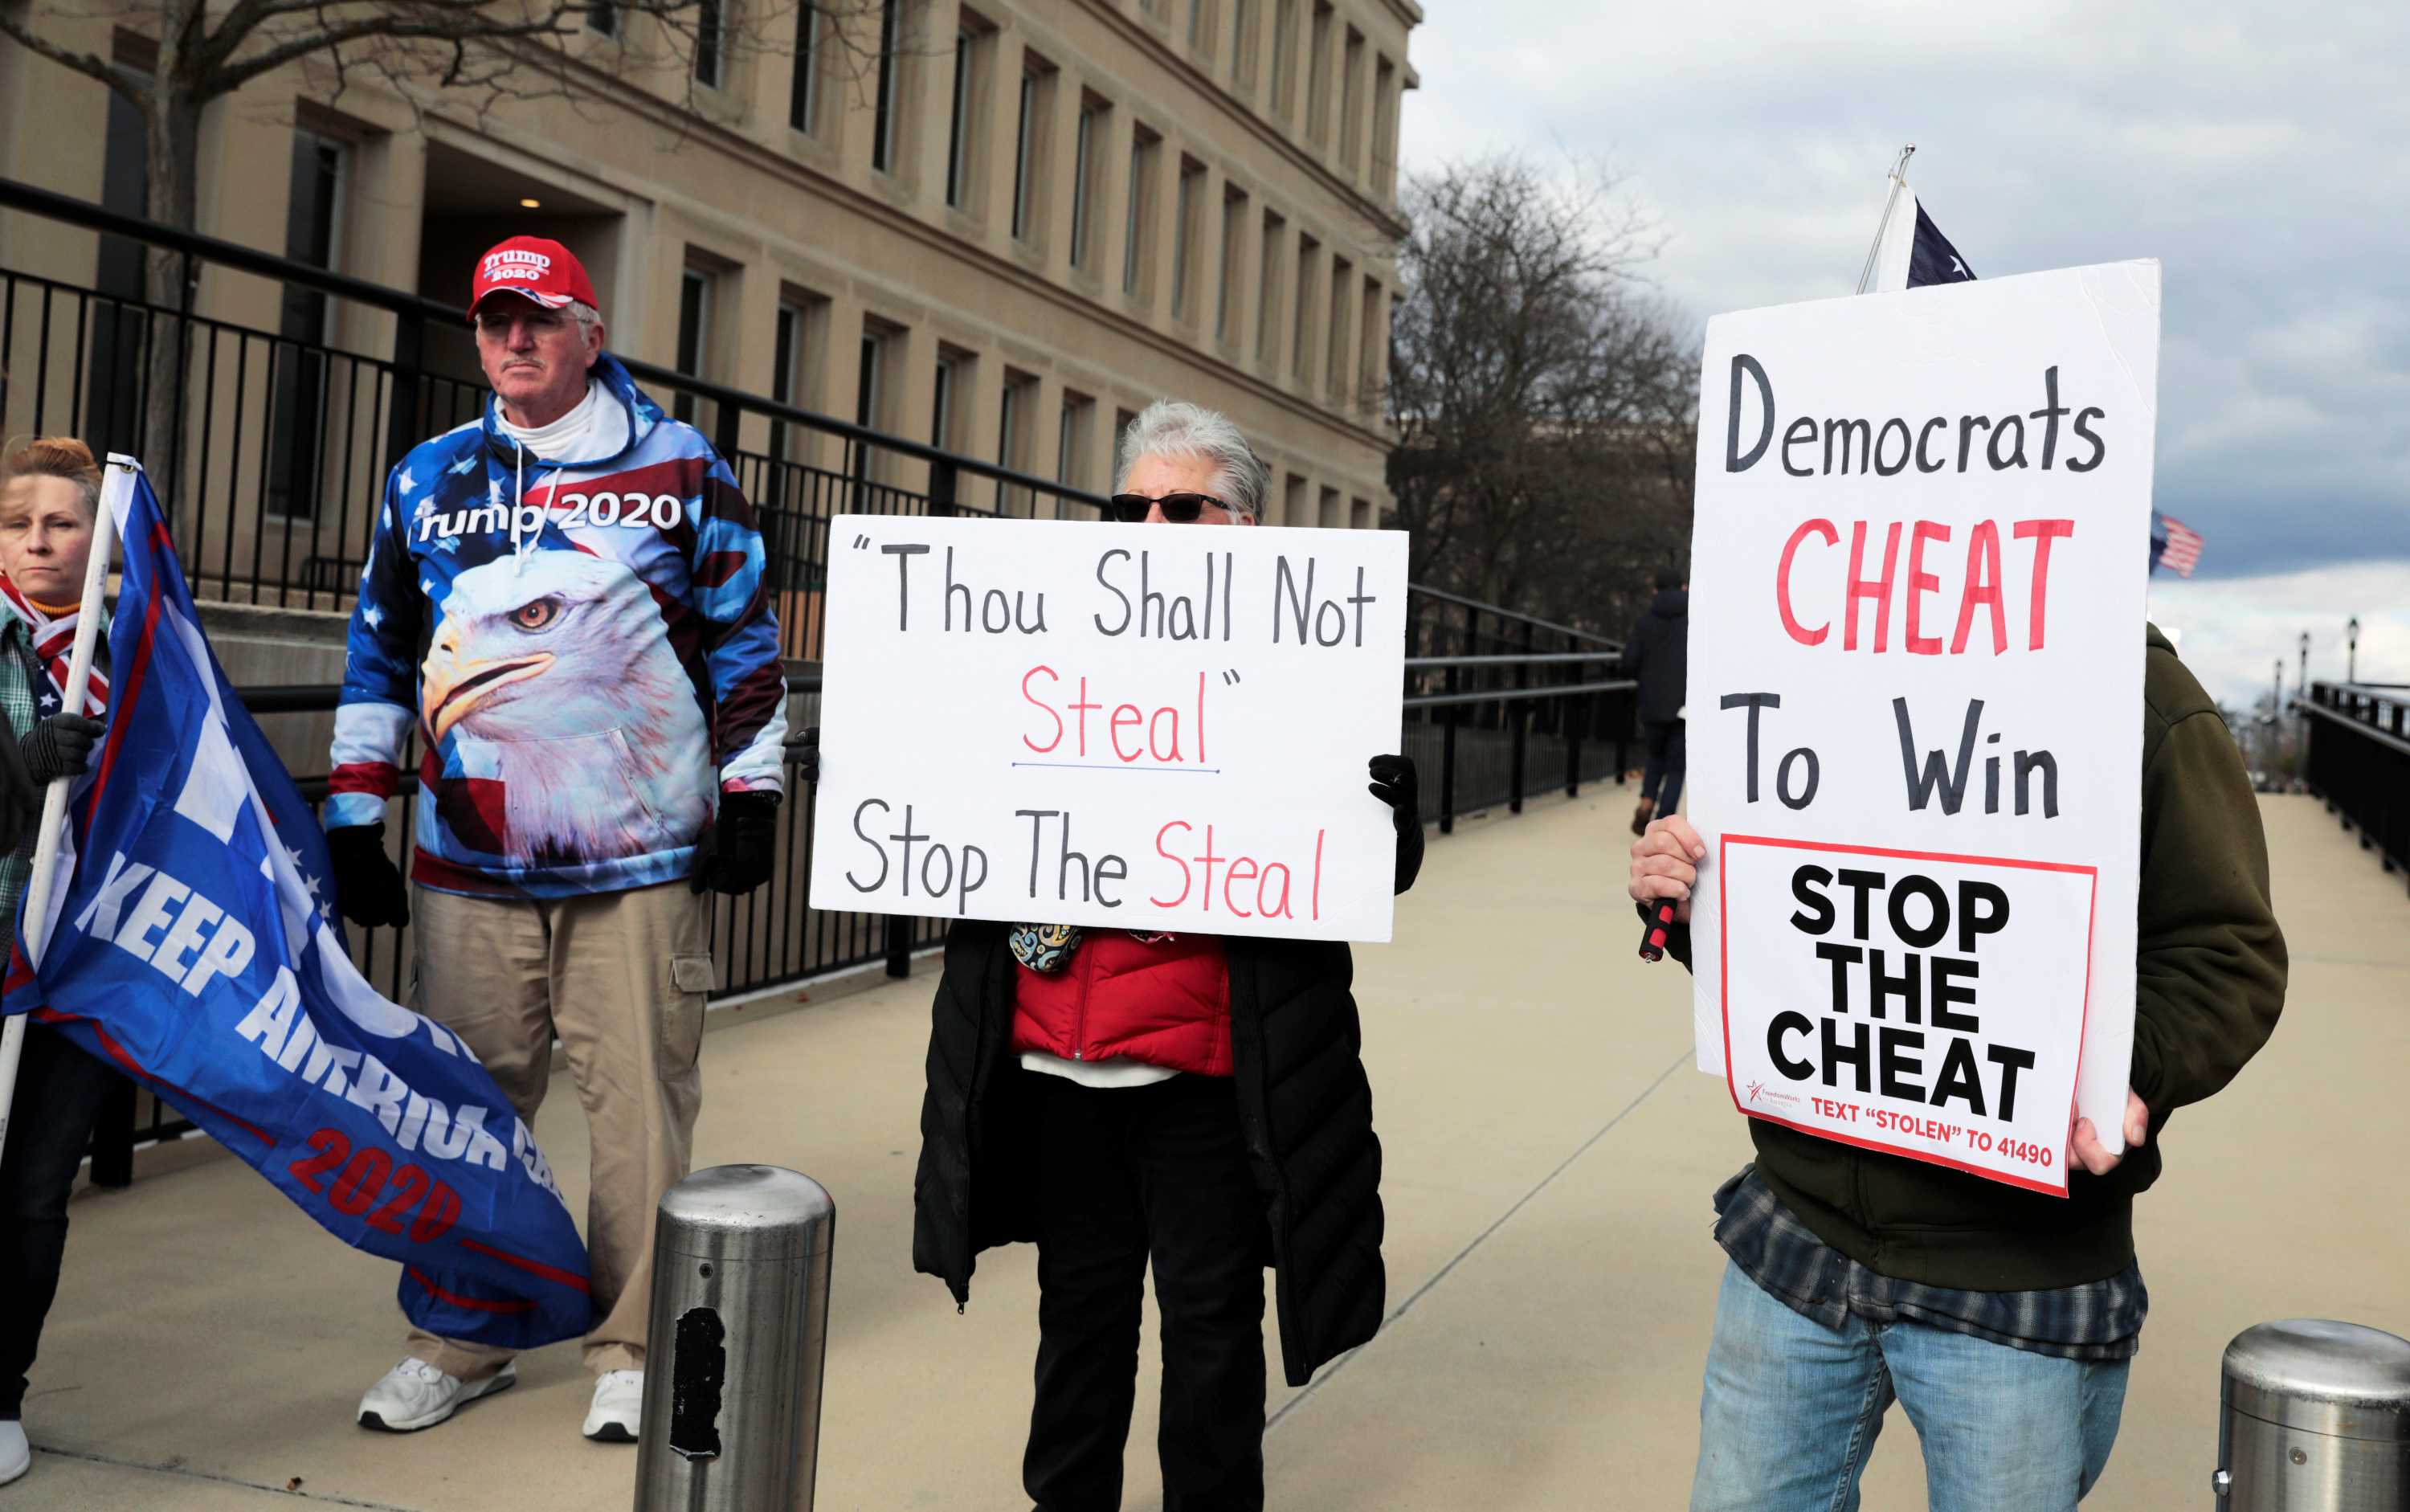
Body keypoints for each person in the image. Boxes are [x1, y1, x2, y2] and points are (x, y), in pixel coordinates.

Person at [803, 401, 1421, 1511]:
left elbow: (1352, 865)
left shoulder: (1305, 674)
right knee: (1079, 1330)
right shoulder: (1038, 644)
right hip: (1059, 1065)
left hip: (1208, 1077)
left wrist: (1384, 817)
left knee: (1211, 1340)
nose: (1152, 523)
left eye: (1182, 505)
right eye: (1130, 504)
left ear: (1242, 524)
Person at [1630, 623, 2288, 1511]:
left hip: (2009, 1272)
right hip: (1798, 1237)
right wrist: (1690, 894)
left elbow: (2227, 954)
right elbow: (1793, 947)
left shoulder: (2142, 697)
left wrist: (2112, 1074)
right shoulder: (1806, 668)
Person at [325, 237, 789, 1441]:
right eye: (493, 321)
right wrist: (354, 809)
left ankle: (632, 1342)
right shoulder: (427, 475)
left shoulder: (681, 465)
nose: (513, 339)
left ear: (590, 330)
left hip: (639, 861)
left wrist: (752, 791)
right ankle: (461, 1335)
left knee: (639, 1098)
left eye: (537, 318)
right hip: (468, 864)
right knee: (466, 1105)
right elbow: (381, 645)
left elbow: (745, 638)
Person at [0, 437, 115, 1490]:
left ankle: (2, 1392)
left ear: (98, 534)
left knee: (36, 1191)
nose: (39, 541)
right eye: (17, 522)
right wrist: (15, 774)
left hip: (81, 964)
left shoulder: (137, 646)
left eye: (63, 522)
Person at [1623, 565, 1687, 836]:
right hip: (1685, 706)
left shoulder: (1644, 622)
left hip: (1651, 704)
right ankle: (1662, 823)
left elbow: (1629, 663)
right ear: (1684, 588)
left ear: (1655, 590)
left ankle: (1646, 801)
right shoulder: (1695, 620)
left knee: (1655, 756)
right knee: (1676, 766)